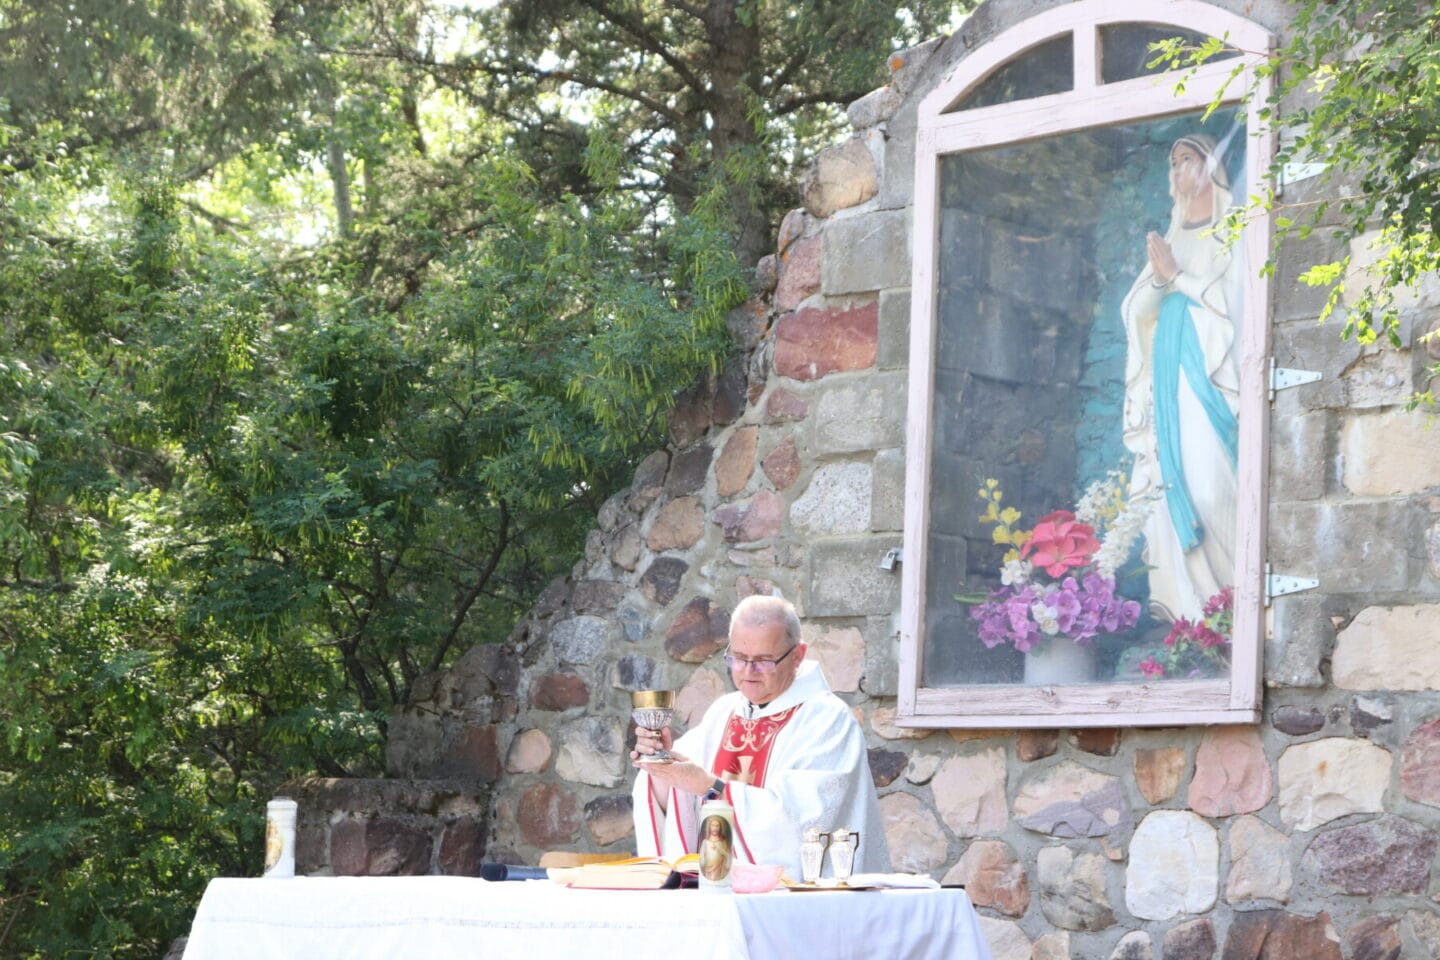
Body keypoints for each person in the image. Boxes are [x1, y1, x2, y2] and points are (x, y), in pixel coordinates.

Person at [630, 595, 888, 879]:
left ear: (798, 656)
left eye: (764, 661)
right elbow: (675, 797)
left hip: (797, 906)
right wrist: (660, 764)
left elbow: (802, 821)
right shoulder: (724, 711)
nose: (748, 672)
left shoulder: (826, 719)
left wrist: (710, 786)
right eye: (739, 658)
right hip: (719, 898)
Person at [1119, 133, 1241, 623]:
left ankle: (1232, 601)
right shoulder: (1172, 235)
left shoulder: (1233, 227)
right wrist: (1159, 278)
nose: (1177, 170)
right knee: (1171, 487)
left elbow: (1235, 305)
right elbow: (1135, 311)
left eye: (1186, 159)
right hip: (1168, 375)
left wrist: (1176, 279)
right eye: (1172, 163)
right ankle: (1193, 617)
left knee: (1212, 486)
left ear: (1211, 165)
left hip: (1211, 376)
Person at [698, 815, 731, 881]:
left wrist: (722, 851)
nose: (715, 828)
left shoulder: (723, 842)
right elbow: (701, 857)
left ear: (720, 828)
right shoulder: (705, 842)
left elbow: (728, 856)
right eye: (713, 825)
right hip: (707, 871)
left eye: (717, 826)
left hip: (720, 870)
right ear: (709, 827)